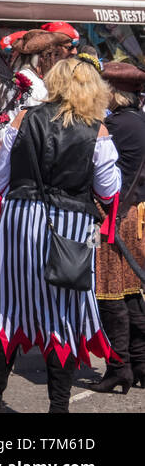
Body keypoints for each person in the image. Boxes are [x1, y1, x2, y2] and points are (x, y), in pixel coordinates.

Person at [0, 57, 122, 413]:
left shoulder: (22, 119)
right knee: (62, 315)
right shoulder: (95, 130)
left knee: (7, 306)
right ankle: (58, 407)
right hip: (68, 226)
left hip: (20, 223)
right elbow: (109, 189)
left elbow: (2, 181)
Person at [90, 60, 145, 392]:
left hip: (117, 218)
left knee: (111, 295)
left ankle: (119, 366)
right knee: (132, 295)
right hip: (135, 214)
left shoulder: (116, 126)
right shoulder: (137, 120)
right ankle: (140, 363)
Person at [10, 29, 72, 106]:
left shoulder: (26, 77)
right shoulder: (32, 85)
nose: (59, 59)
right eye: (55, 55)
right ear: (42, 58)